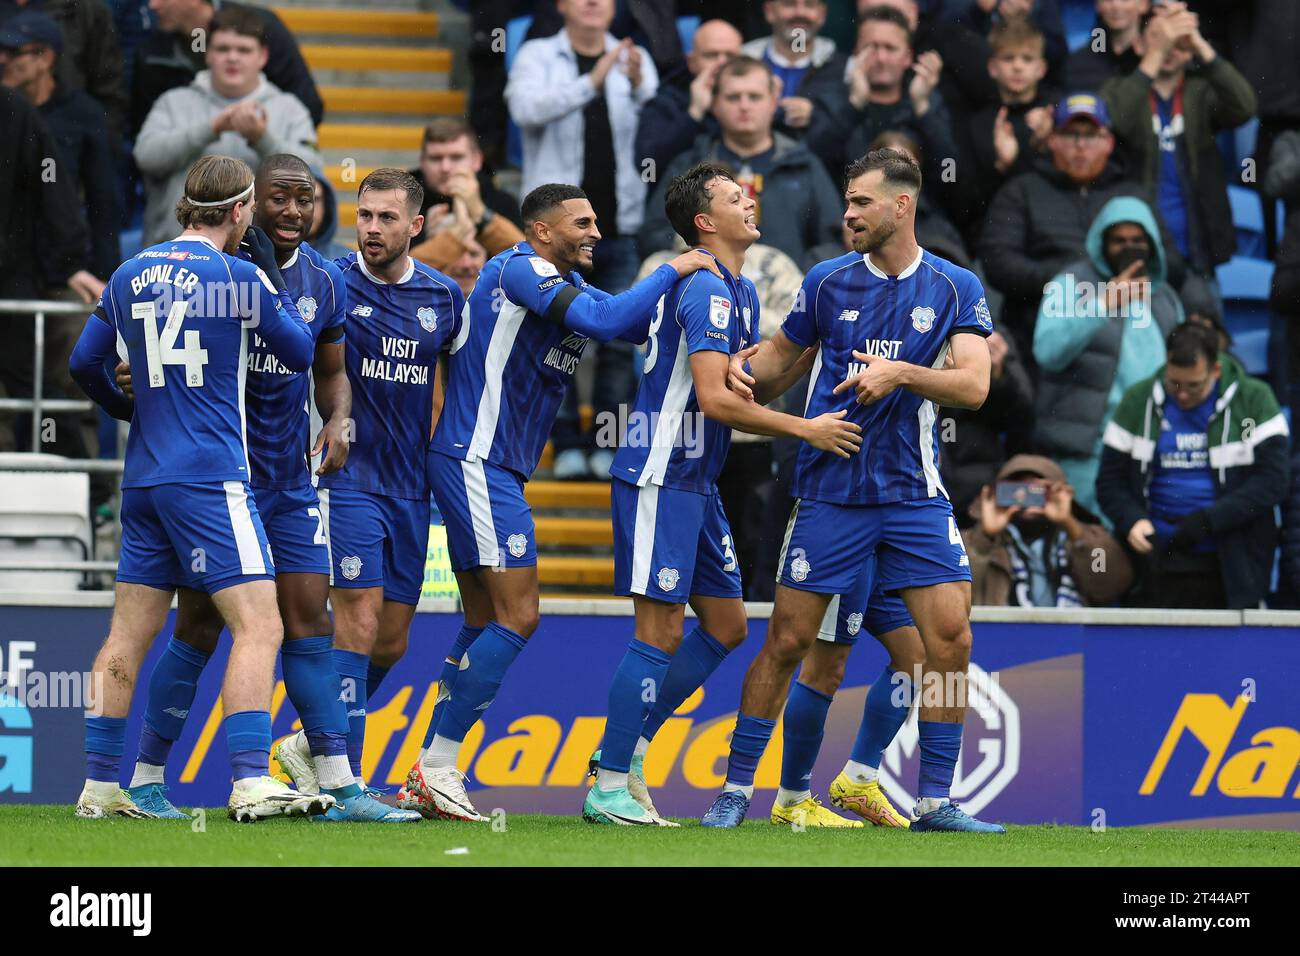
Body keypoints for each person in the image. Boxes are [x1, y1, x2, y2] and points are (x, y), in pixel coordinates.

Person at [397, 184, 724, 822]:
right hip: (474, 459)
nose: (596, 231)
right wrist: (673, 266)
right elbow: (606, 322)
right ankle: (438, 764)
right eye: (582, 221)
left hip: (491, 468)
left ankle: (427, 771)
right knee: (519, 616)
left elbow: (625, 325)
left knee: (483, 617)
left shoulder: (561, 279)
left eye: (597, 219)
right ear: (542, 231)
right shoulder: (521, 268)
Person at [701, 148, 1004, 833]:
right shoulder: (827, 281)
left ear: (903, 204)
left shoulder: (955, 285)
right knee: (787, 640)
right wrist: (730, 372)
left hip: (914, 496)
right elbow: (775, 367)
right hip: (831, 492)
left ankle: (935, 801)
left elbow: (975, 386)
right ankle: (736, 790)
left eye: (862, 202)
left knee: (949, 641)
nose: (848, 214)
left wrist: (901, 373)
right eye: (846, 202)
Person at [112, 156, 419, 824]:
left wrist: (338, 416)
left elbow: (330, 371)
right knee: (196, 629)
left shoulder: (325, 280)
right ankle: (144, 778)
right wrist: (134, 383)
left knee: (311, 625)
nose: (290, 211)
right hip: (222, 482)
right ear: (251, 202)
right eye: (277, 198)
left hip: (289, 483)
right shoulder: (219, 272)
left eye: (303, 201)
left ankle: (341, 785)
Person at [585, 163, 861, 826]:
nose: (749, 201)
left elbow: (741, 388)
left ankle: (626, 747)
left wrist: (804, 346)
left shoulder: (736, 287)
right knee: (658, 632)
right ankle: (609, 783)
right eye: (735, 197)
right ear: (705, 221)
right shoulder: (706, 285)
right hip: (659, 471)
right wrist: (807, 428)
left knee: (728, 625)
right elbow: (713, 399)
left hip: (696, 480)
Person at [67, 154, 329, 821]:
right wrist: (268, 275)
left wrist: (128, 409)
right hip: (210, 476)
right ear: (242, 210)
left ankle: (100, 786)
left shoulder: (129, 273)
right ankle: (248, 779)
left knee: (127, 634)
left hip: (144, 478)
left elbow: (83, 362)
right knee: (260, 625)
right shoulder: (239, 275)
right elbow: (300, 352)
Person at [306, 168, 463, 804]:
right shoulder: (331, 283)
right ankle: (344, 780)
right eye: (365, 215)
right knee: (359, 622)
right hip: (349, 481)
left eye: (387, 218)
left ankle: (311, 744)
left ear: (415, 226)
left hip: (411, 486)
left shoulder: (445, 298)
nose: (372, 227)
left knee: (392, 642)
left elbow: (457, 387)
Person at [506, 0, 659, 478]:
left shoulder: (634, 56)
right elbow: (524, 110)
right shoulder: (537, 54)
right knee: (558, 333)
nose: (594, 3)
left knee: (616, 342)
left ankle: (608, 444)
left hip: (619, 222)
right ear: (562, 6)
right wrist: (592, 82)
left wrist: (633, 84)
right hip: (555, 233)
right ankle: (567, 440)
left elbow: (655, 115)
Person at [1098, 323, 1289, 609]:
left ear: (1216, 370)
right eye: (1174, 383)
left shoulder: (1255, 400)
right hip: (1155, 559)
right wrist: (1131, 520)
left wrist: (1208, 521)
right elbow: (1109, 482)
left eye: (1193, 386)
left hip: (1231, 561)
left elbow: (1273, 482)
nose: (1183, 395)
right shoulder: (1138, 401)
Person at [979, 92, 1183, 358]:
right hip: (1038, 324)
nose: (1081, 145)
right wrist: (1073, 283)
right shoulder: (1022, 190)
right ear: (1052, 140)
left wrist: (1118, 283)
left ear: (1109, 142)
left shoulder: (1132, 196)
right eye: (1070, 135)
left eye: (1092, 135)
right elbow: (998, 263)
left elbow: (1172, 265)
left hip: (1128, 326)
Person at [1032, 196, 1183, 514]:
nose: (1129, 248)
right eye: (1118, 240)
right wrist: (1103, 305)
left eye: (1138, 240)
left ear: (1152, 243)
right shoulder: (1069, 285)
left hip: (1154, 447)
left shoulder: (1165, 296)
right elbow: (1047, 351)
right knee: (1093, 552)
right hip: (1089, 451)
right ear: (1101, 242)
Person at [133, 5, 321, 248]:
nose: (232, 57)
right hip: (177, 251)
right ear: (207, 54)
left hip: (264, 257)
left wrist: (262, 138)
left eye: (243, 50)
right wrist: (211, 129)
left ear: (262, 56)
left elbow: (313, 171)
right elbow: (146, 157)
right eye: (223, 49)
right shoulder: (173, 101)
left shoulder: (290, 108)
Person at [639, 56, 845, 271]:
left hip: (786, 295)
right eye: (733, 97)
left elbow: (832, 244)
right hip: (708, 288)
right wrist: (698, 251)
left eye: (754, 97)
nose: (744, 106)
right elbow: (653, 234)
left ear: (774, 102)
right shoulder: (690, 167)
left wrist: (797, 279)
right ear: (715, 103)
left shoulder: (804, 165)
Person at [1100, 1, 1256, 279]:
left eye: (1178, 43)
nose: (1170, 49)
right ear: (1137, 45)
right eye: (1161, 39)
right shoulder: (1118, 88)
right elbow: (1116, 121)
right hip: (1139, 250)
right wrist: (1154, 55)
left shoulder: (1202, 93)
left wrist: (1197, 43)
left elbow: (1245, 106)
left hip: (1198, 247)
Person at [1, 10, 121, 281]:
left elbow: (101, 199)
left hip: (63, 269)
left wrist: (105, 275)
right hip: (9, 267)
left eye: (13, 52)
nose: (2, 60)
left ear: (45, 57)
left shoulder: (84, 114)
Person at [806, 5, 959, 206]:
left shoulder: (929, 102)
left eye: (890, 48)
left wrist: (923, 109)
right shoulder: (832, 100)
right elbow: (811, 167)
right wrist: (853, 106)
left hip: (917, 223)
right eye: (871, 47)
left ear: (907, 57)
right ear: (856, 53)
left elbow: (951, 177)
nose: (881, 58)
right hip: (847, 222)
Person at [964, 454, 1133, 606]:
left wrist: (1072, 526)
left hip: (1071, 638)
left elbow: (1111, 586)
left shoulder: (1089, 538)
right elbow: (958, 592)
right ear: (999, 493)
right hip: (1002, 637)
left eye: (1039, 491)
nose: (1028, 499)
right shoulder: (968, 542)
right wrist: (984, 537)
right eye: (1018, 490)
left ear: (1061, 492)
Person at [131, 0, 321, 133]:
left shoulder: (263, 27)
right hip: (187, 174)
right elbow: (147, 135)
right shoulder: (152, 49)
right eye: (222, 49)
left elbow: (307, 106)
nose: (152, 5)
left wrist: (260, 140)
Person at [953, 16, 1058, 238]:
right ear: (992, 67)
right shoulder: (977, 124)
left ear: (1041, 68)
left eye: (1027, 59)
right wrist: (1002, 166)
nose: (1018, 66)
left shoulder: (1056, 116)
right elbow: (966, 200)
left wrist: (1045, 145)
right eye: (1008, 58)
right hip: (993, 233)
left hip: (1050, 230)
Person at [0, 0, 127, 142]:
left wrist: (103, 146)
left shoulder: (86, 11)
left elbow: (108, 94)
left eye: (12, 52)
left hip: (68, 140)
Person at [408, 116, 524, 270]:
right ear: (422, 162)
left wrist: (480, 213)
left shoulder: (503, 202)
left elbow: (526, 263)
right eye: (436, 158)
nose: (445, 167)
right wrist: (426, 239)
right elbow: (394, 276)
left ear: (477, 160)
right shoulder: (405, 205)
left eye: (456, 157)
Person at [634, 18, 742, 178]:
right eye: (711, 55)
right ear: (692, 62)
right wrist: (693, 114)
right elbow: (648, 170)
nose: (722, 63)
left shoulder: (756, 102)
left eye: (730, 56)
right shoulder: (663, 104)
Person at [739, 0, 849, 143]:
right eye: (789, 4)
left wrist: (816, 115)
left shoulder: (847, 68)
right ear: (769, 11)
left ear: (822, 14)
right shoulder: (740, 61)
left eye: (809, 5)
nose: (800, 13)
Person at [1064, 0, 1150, 93]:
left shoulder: (1158, 60)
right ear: (1097, 5)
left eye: (1125, 0)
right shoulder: (1077, 63)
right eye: (1108, 0)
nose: (1116, 6)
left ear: (1143, 4)